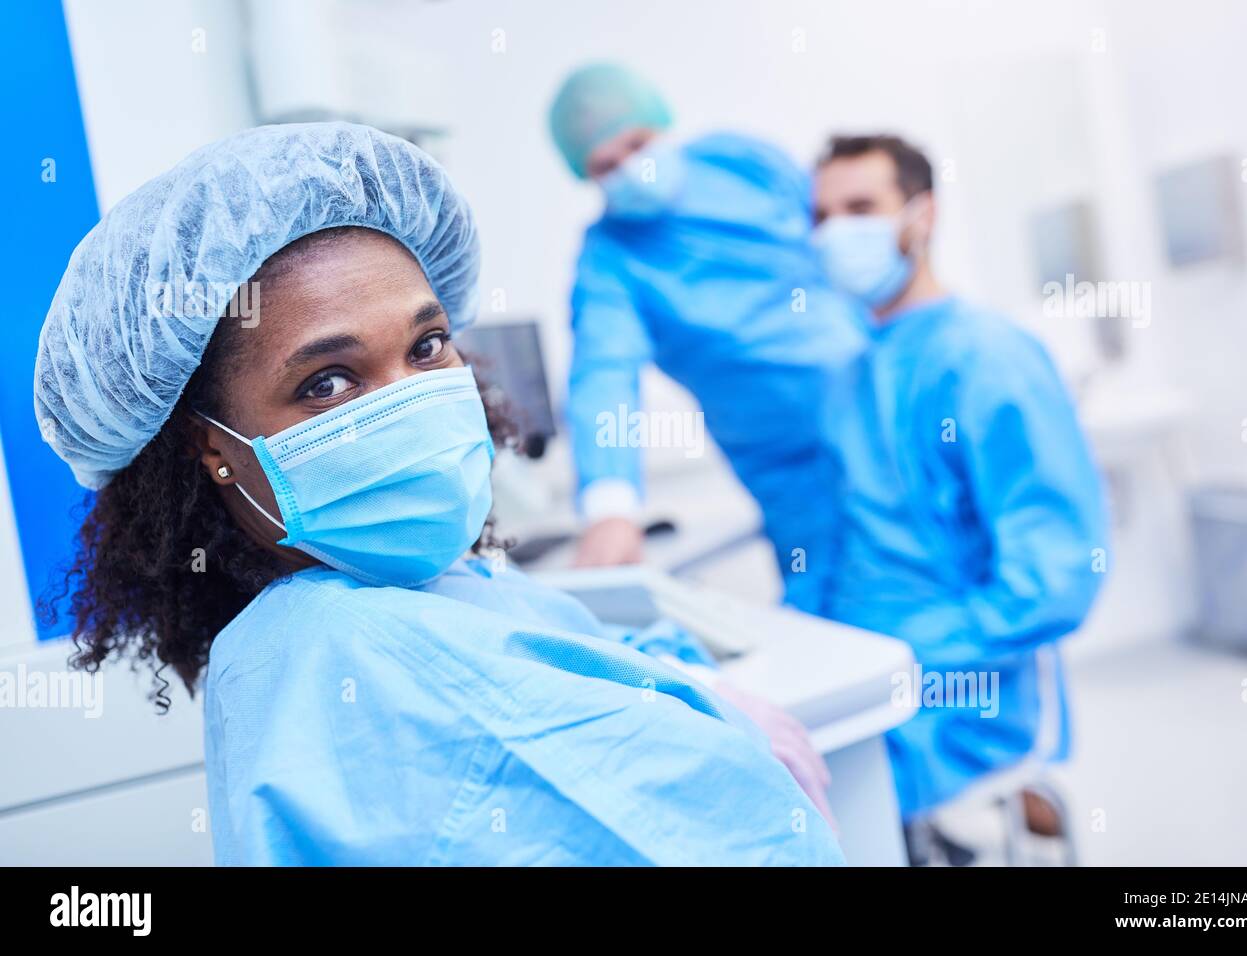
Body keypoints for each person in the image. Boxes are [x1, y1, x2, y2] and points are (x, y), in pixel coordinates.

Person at [35, 122, 843, 866]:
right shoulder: (345, 658)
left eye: (427, 346)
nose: (409, 399)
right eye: (327, 382)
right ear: (214, 447)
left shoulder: (405, 592)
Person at [810, 134, 1108, 846]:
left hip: (959, 687)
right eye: (821, 217)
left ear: (921, 216)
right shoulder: (850, 373)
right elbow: (846, 537)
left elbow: (1056, 578)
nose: (835, 234)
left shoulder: (989, 358)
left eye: (860, 208)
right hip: (863, 663)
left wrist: (902, 655)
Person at [549, 64, 867, 612]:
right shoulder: (610, 261)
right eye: (606, 164)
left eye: (637, 144)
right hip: (792, 466)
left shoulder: (741, 162)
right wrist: (611, 506)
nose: (628, 167)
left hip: (883, 412)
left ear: (660, 123)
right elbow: (604, 376)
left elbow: (840, 242)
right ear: (585, 175)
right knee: (840, 607)